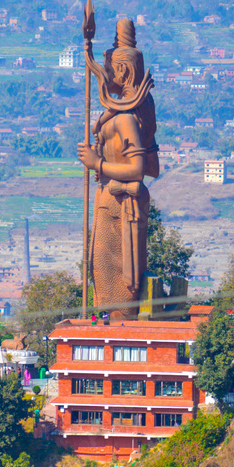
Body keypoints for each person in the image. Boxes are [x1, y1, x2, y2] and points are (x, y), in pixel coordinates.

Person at [77, 17, 159, 320]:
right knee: (98, 271)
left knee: (116, 279)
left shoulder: (125, 119)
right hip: (108, 200)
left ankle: (118, 327)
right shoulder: (114, 115)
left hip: (121, 204)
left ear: (123, 71)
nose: (102, 75)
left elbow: (141, 170)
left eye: (107, 69)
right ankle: (108, 323)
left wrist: (97, 163)